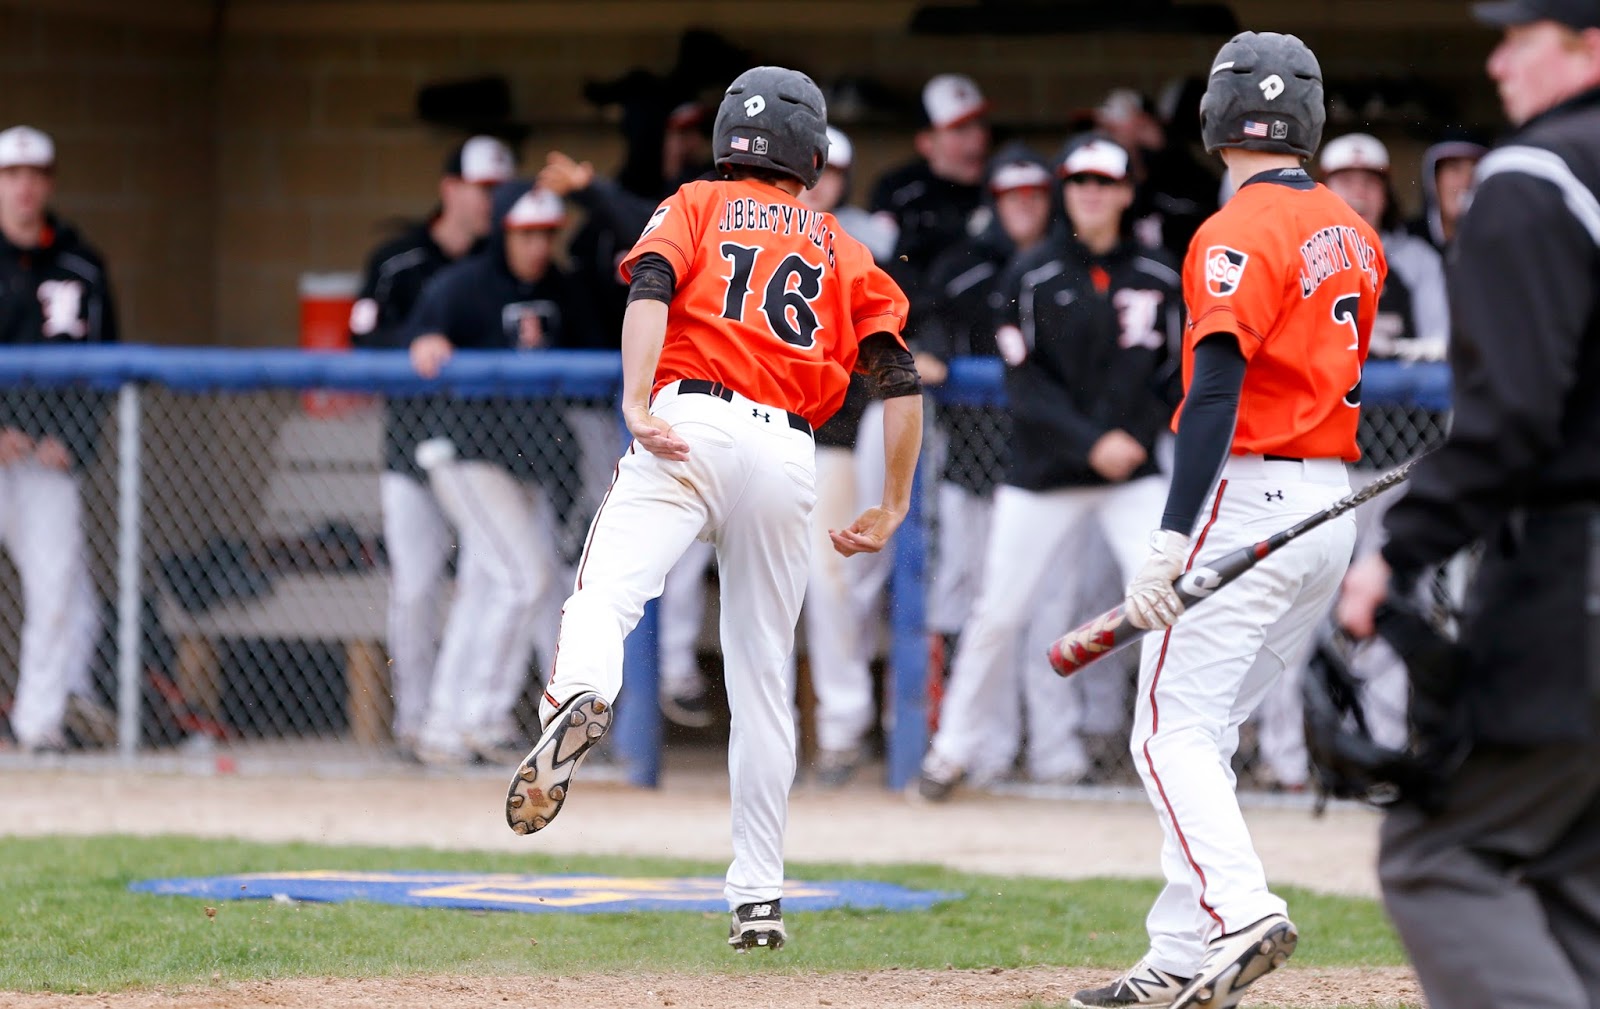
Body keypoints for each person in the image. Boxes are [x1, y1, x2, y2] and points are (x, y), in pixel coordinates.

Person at [503, 67, 923, 953]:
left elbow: (649, 283)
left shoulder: (697, 200)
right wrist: (893, 500)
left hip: (691, 420)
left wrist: (635, 399)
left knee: (606, 595)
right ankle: (758, 897)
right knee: (764, 678)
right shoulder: (841, 245)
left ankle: (579, 694)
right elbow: (898, 377)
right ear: (810, 154)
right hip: (788, 446)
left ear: (728, 138)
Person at [1070, 33, 1386, 1009]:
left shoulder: (1234, 228)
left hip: (1247, 494)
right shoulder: (1351, 226)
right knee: (1197, 732)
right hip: (1326, 504)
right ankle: (1177, 948)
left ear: (1213, 119)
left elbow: (1213, 393)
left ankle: (1243, 909)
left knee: (1165, 733)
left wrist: (1170, 534)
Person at [1338, 3, 1600, 1007]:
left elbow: (1510, 416)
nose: (1495, 61)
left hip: (1571, 567)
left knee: (1435, 854)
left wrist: (1396, 552)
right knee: (1572, 871)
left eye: (1521, 35)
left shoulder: (1533, 177)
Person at [919, 134, 1182, 800]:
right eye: (1080, 182)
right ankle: (950, 752)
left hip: (1132, 468)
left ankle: (1181, 748)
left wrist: (1133, 435)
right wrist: (1091, 441)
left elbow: (1176, 371)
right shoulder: (1030, 274)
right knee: (999, 611)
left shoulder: (1158, 273)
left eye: (1104, 182)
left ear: (1126, 192)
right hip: (1045, 471)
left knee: (1167, 599)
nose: (1090, 194)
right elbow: (1023, 383)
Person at [405, 182, 597, 767]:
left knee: (491, 585)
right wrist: (423, 339)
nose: (538, 246)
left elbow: (601, 335)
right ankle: (478, 718)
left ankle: (446, 724)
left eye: (546, 233)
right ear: (504, 234)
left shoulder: (561, 288)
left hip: (525, 463)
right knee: (525, 577)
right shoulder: (462, 285)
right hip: (462, 454)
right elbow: (403, 332)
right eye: (526, 234)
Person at [348, 134, 514, 759]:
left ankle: (465, 717)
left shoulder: (502, 266)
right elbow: (361, 340)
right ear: (450, 189)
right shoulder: (399, 259)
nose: (488, 202)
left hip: (481, 454)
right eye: (480, 189)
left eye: (498, 190)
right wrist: (416, 345)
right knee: (415, 587)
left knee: (487, 577)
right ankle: (415, 721)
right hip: (409, 448)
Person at [915, 142, 1060, 785]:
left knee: (1052, 611)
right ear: (994, 200)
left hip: (1052, 466)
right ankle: (982, 752)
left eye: (1035, 194)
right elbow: (926, 322)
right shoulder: (962, 264)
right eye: (1012, 194)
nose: (1024, 205)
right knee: (976, 608)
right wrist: (933, 348)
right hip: (972, 467)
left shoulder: (1069, 263)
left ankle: (1059, 753)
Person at [0, 125, 118, 755]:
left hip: (47, 458)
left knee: (57, 589)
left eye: (34, 175)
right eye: (11, 175)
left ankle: (38, 724)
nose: (24, 187)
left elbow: (103, 367)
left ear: (48, 183)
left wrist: (70, 438)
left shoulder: (80, 264)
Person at [795, 126, 896, 786]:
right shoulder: (740, 229)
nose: (820, 181)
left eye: (831, 170)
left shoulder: (864, 240)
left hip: (834, 431)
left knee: (830, 579)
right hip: (750, 432)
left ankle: (841, 731)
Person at [870, 73, 990, 309]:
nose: (978, 138)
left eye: (981, 123)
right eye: (961, 129)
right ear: (926, 141)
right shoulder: (898, 191)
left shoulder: (999, 183)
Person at [1406, 135, 1488, 253]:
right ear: (1433, 181)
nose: (1465, 182)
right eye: (1455, 169)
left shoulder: (1496, 243)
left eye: (1475, 171)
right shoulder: (1407, 239)